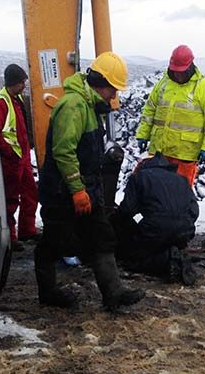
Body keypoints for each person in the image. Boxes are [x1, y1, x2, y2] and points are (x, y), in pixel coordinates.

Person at [35, 52, 145, 310]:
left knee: (102, 237)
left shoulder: (89, 106)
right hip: (64, 192)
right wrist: (76, 190)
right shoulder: (73, 106)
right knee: (56, 241)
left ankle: (114, 294)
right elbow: (64, 152)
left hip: (86, 190)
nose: (114, 95)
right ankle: (47, 292)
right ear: (102, 83)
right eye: (113, 89)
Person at [135, 44, 205, 186]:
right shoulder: (163, 84)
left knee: (179, 197)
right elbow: (149, 110)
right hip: (159, 151)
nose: (178, 75)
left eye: (181, 71)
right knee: (154, 193)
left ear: (190, 67)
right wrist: (143, 134)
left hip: (185, 155)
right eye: (175, 71)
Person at [112, 153, 199, 285]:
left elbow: (128, 209)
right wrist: (186, 222)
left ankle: (167, 261)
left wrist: (139, 222)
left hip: (153, 230)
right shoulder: (182, 179)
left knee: (130, 259)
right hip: (184, 232)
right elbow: (194, 209)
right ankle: (174, 252)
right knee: (164, 238)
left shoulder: (139, 178)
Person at [0, 64, 38, 250]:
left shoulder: (15, 100)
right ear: (14, 82)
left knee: (30, 193)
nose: (24, 85)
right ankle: (10, 237)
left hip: (21, 158)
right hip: (11, 161)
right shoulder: (0, 103)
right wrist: (10, 153)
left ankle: (28, 229)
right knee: (10, 199)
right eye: (22, 82)